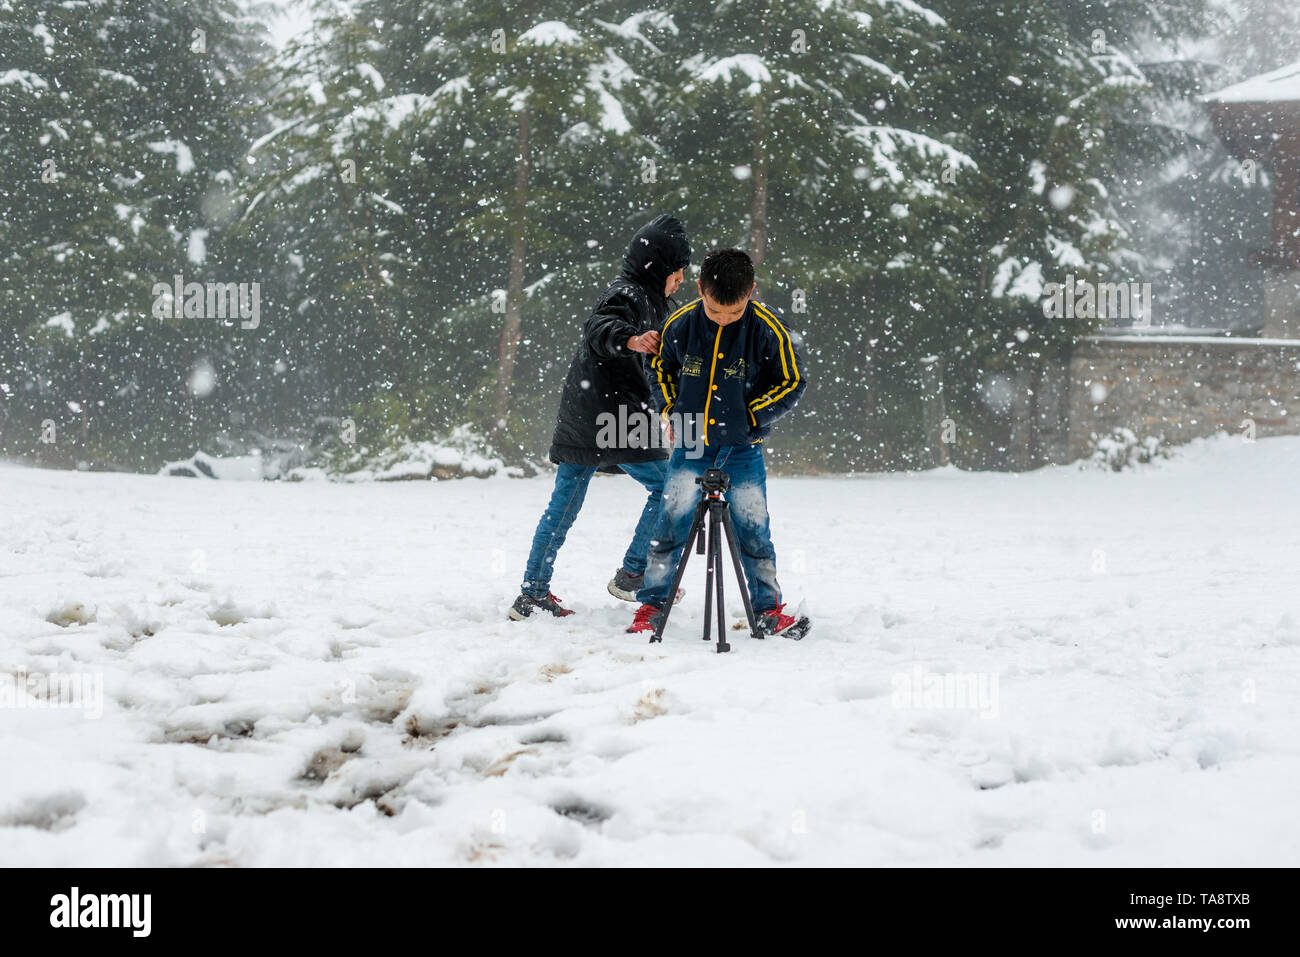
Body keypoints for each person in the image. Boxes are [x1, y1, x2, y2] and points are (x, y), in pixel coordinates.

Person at [510, 215, 692, 620]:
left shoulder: (656, 302)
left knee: (651, 490)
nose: (681, 281)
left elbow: (655, 369)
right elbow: (599, 328)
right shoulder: (625, 293)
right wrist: (628, 338)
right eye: (677, 273)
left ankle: (541, 591)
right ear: (659, 267)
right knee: (661, 488)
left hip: (609, 413)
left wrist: (667, 407)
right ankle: (627, 575)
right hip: (603, 415)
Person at [627, 247, 810, 638]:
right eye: (714, 311)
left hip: (743, 449)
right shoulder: (679, 324)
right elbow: (659, 367)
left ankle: (767, 609)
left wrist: (752, 415)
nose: (724, 318)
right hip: (691, 440)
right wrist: (669, 407)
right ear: (700, 290)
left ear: (752, 292)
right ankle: (651, 606)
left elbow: (793, 382)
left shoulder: (768, 328)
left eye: (734, 311)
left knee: (754, 530)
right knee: (671, 523)